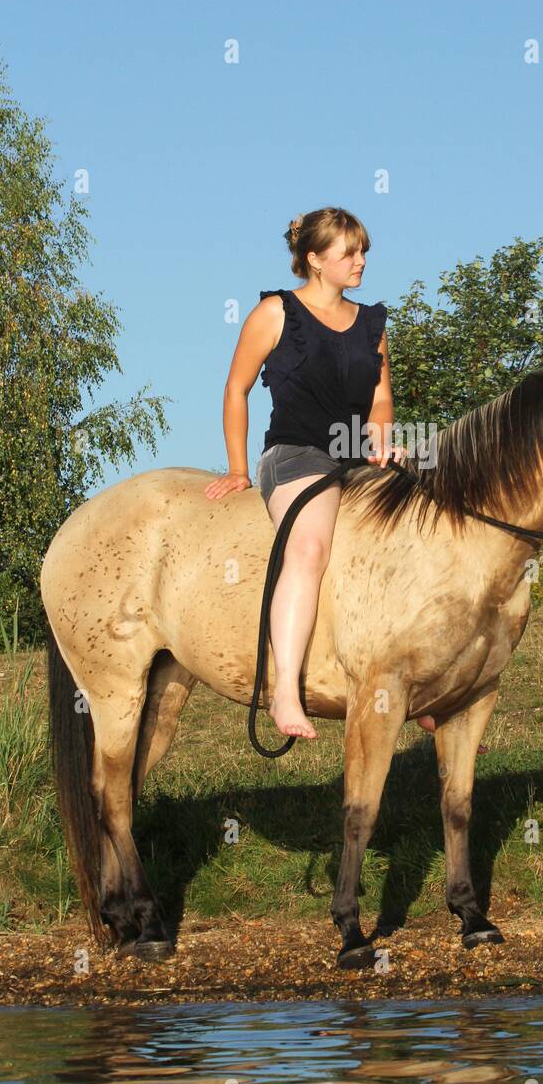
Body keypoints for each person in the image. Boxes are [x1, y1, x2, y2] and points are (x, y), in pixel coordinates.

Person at [204, 207, 439, 743]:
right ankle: (285, 689)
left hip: (357, 456)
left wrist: (384, 444)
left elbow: (381, 400)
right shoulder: (274, 312)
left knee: (427, 526)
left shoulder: (372, 323)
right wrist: (240, 468)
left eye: (363, 252)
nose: (360, 261)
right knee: (309, 548)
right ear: (314, 259)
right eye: (348, 253)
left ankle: (427, 688)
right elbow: (235, 389)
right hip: (295, 453)